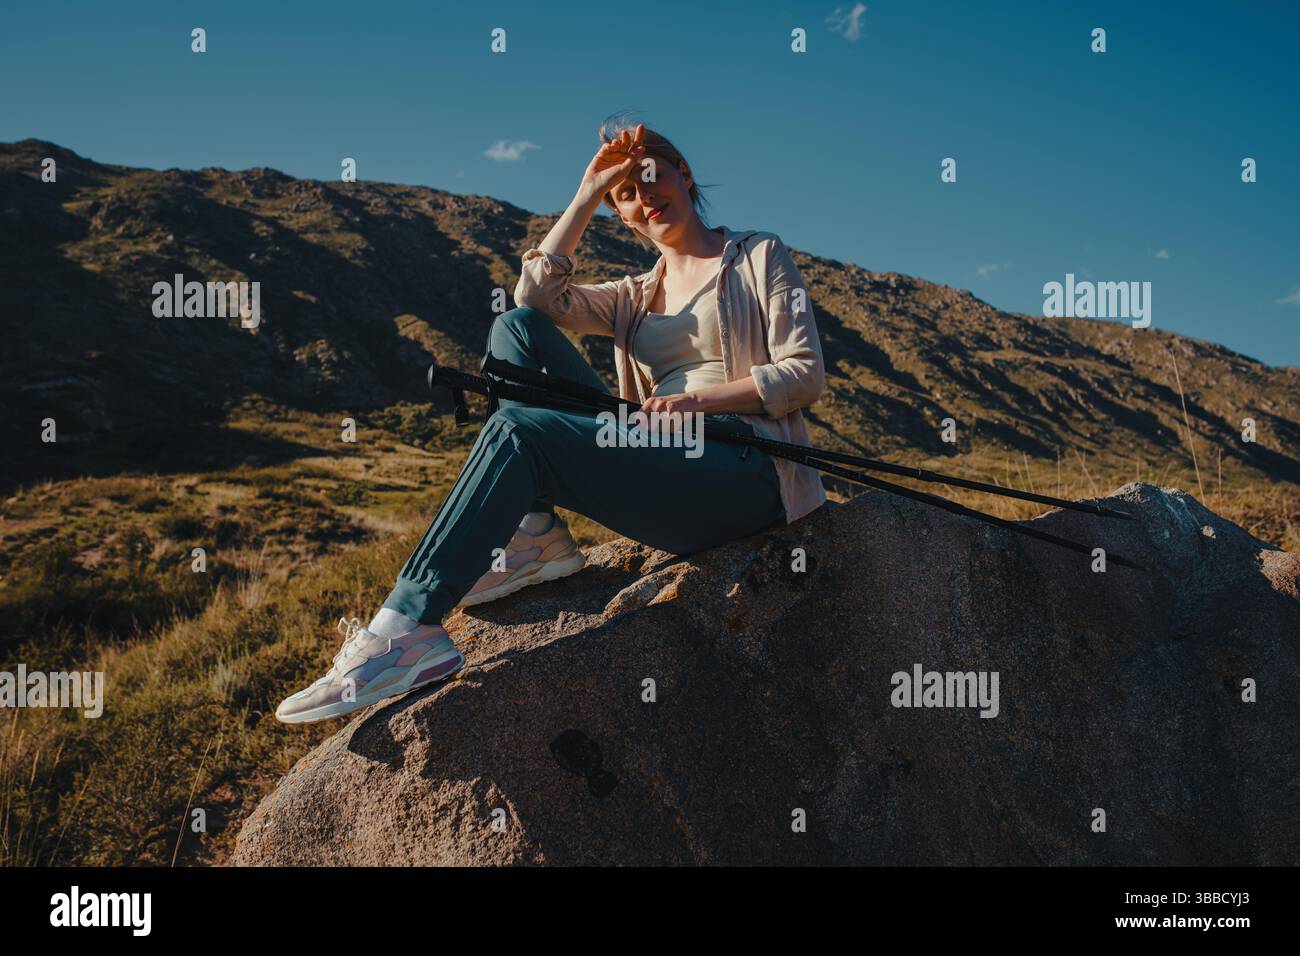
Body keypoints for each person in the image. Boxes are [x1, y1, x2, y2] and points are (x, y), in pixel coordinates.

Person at [276, 114, 826, 724]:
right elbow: (534, 297)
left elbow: (804, 374)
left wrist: (698, 403)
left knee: (518, 431)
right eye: (627, 194)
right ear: (619, 213)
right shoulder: (633, 296)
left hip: (746, 469)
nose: (645, 198)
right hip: (661, 458)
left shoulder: (756, 256)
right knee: (516, 330)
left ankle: (407, 632)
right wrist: (586, 194)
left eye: (653, 178)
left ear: (685, 175)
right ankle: (536, 531)